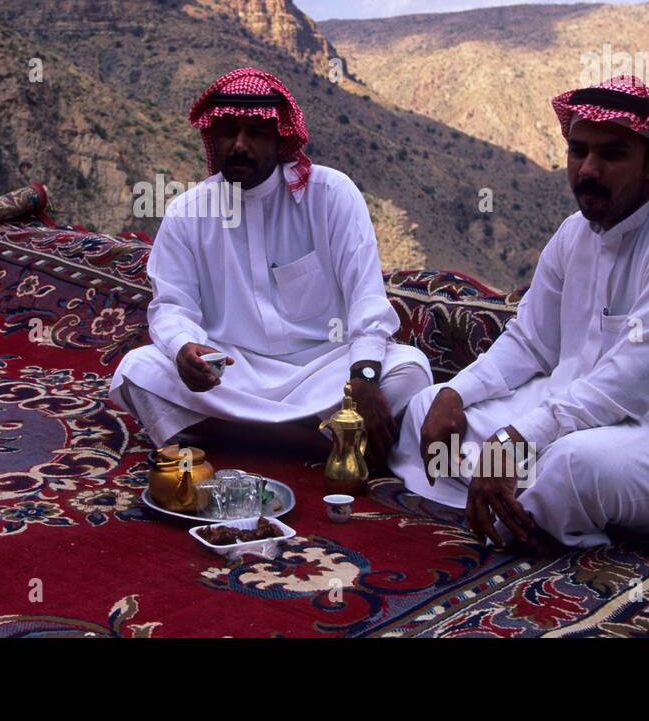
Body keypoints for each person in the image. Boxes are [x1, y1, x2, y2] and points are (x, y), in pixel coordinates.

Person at [390, 75, 649, 551]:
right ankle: (511, 497)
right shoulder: (574, 232)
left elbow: (627, 385)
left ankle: (517, 500)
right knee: (427, 405)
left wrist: (515, 441)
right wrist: (457, 394)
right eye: (578, 151)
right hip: (574, 404)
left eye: (612, 154)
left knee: (572, 465)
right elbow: (530, 342)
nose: (588, 169)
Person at [109, 67, 432, 466]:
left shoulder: (331, 196)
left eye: (255, 133)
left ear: (280, 139)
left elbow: (367, 301)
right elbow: (171, 307)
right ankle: (316, 443)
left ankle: (242, 441)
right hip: (231, 373)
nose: (239, 145)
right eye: (228, 132)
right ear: (213, 136)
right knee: (137, 371)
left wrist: (362, 381)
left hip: (325, 369)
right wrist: (184, 350)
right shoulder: (187, 212)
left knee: (410, 370)